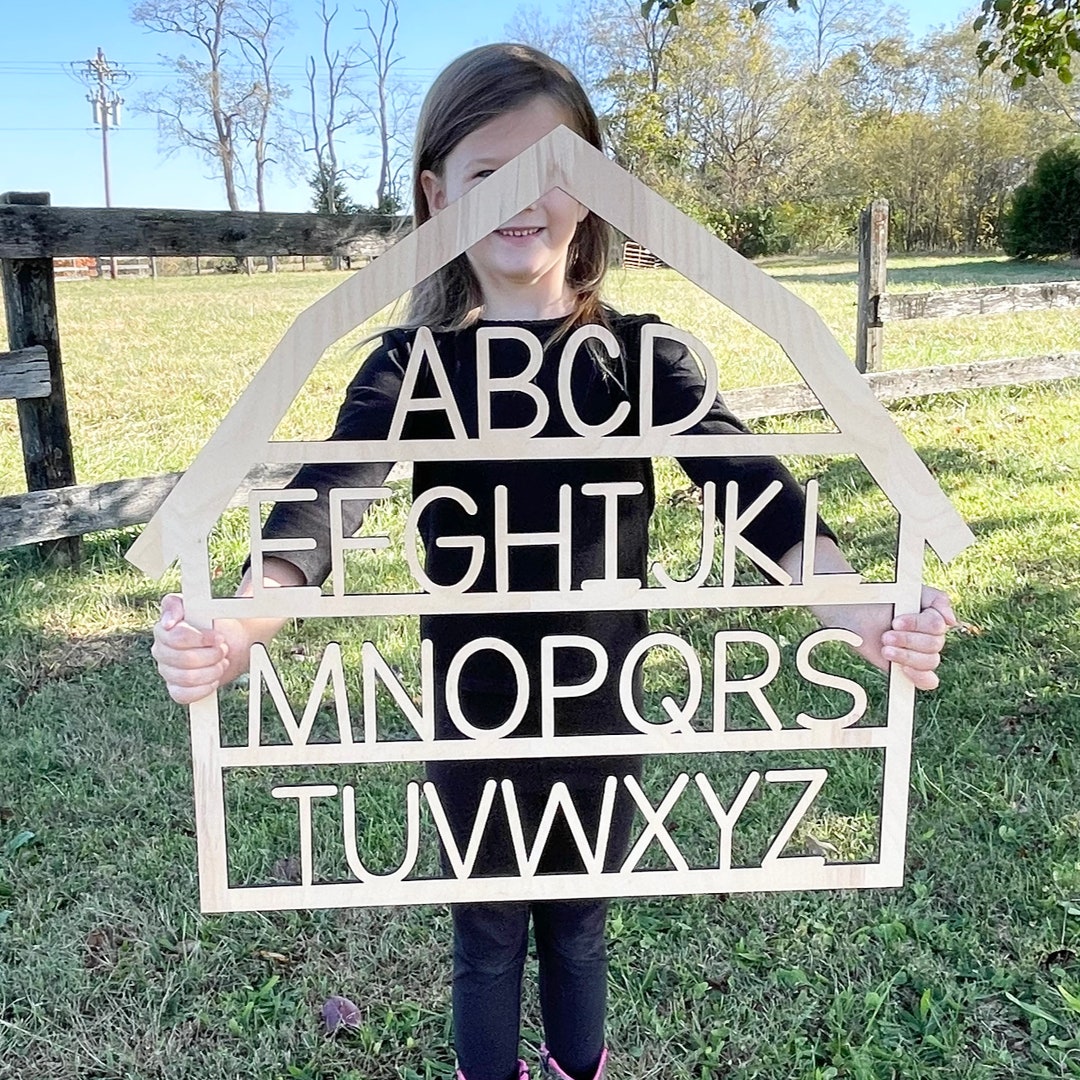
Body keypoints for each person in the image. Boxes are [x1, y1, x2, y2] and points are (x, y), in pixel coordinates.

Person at [151, 43, 957, 1080]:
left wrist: (865, 614)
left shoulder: (643, 359)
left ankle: (581, 1069)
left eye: (552, 170)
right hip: (471, 718)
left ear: (596, 192)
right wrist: (233, 631)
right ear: (439, 196)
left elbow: (759, 496)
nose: (523, 199)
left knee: (579, 925)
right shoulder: (413, 368)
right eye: (492, 174)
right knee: (486, 936)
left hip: (601, 713)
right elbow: (319, 510)